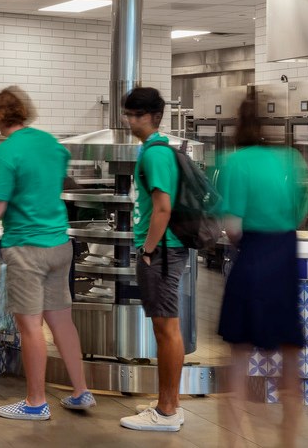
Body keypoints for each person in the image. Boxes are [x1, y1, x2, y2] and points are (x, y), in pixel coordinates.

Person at [0, 88, 94, 420]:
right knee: (62, 322)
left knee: (30, 326)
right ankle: (81, 391)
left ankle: (35, 402)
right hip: (59, 244)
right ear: (25, 113)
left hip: (26, 247)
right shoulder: (53, 145)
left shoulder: (6, 152)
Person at [216, 96, 308, 448]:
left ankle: (234, 442)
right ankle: (288, 442)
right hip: (285, 258)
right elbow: (302, 214)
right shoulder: (292, 159)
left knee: (240, 359)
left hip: (254, 257)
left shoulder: (234, 162)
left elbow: (233, 226)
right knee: (289, 363)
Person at [118, 87, 188, 432]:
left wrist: (147, 250)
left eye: (136, 115)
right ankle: (168, 404)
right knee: (165, 327)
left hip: (161, 251)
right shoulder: (152, 150)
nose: (130, 120)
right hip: (162, 250)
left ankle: (167, 411)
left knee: (166, 328)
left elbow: (163, 207)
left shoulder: (155, 155)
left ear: (154, 117)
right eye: (128, 114)